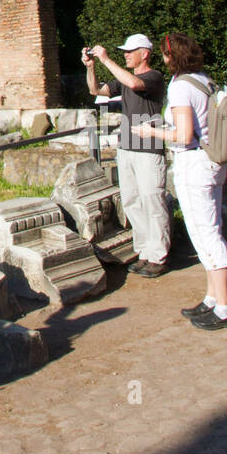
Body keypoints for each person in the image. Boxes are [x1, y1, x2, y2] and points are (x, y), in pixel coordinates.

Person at [134, 32, 227, 330]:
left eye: (165, 54)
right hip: (212, 163)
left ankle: (224, 308)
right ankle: (212, 298)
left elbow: (182, 134)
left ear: (171, 56)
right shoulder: (205, 80)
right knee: (211, 228)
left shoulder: (181, 87)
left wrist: (150, 132)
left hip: (194, 165)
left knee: (206, 234)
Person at [83, 34, 169, 276]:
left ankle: (159, 254)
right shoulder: (125, 78)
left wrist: (106, 59)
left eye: (131, 51)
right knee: (131, 201)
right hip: (127, 146)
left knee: (153, 200)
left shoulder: (154, 77)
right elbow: (96, 90)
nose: (126, 55)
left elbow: (134, 84)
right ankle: (144, 251)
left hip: (149, 147)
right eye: (125, 52)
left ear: (145, 53)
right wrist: (92, 68)